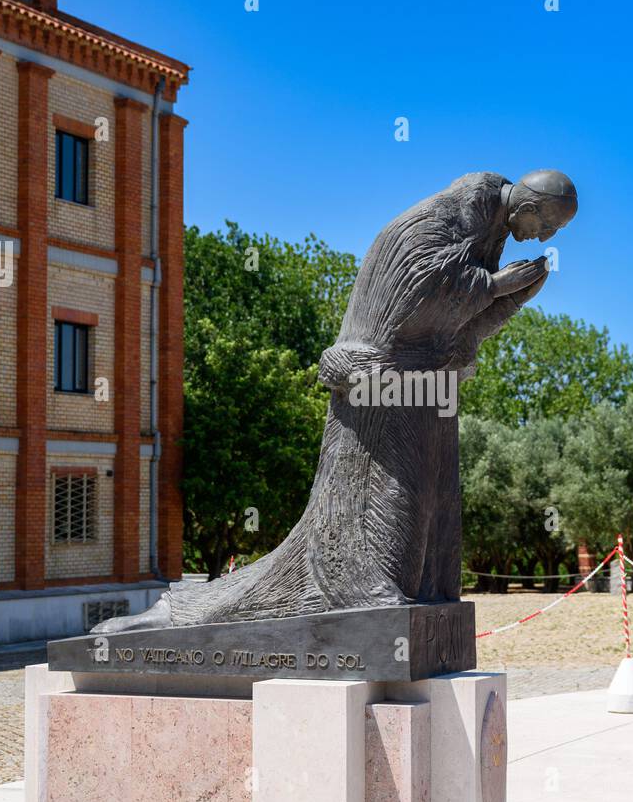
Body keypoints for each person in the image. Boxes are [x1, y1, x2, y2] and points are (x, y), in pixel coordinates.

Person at [97, 168, 577, 631]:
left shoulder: (494, 230)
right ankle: (350, 591)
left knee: (434, 497)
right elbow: (416, 286)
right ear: (530, 205)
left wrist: (510, 301)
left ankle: (425, 592)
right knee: (389, 497)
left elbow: (456, 326)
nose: (543, 238)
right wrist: (495, 286)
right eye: (547, 225)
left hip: (427, 384)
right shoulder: (452, 214)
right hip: (381, 383)